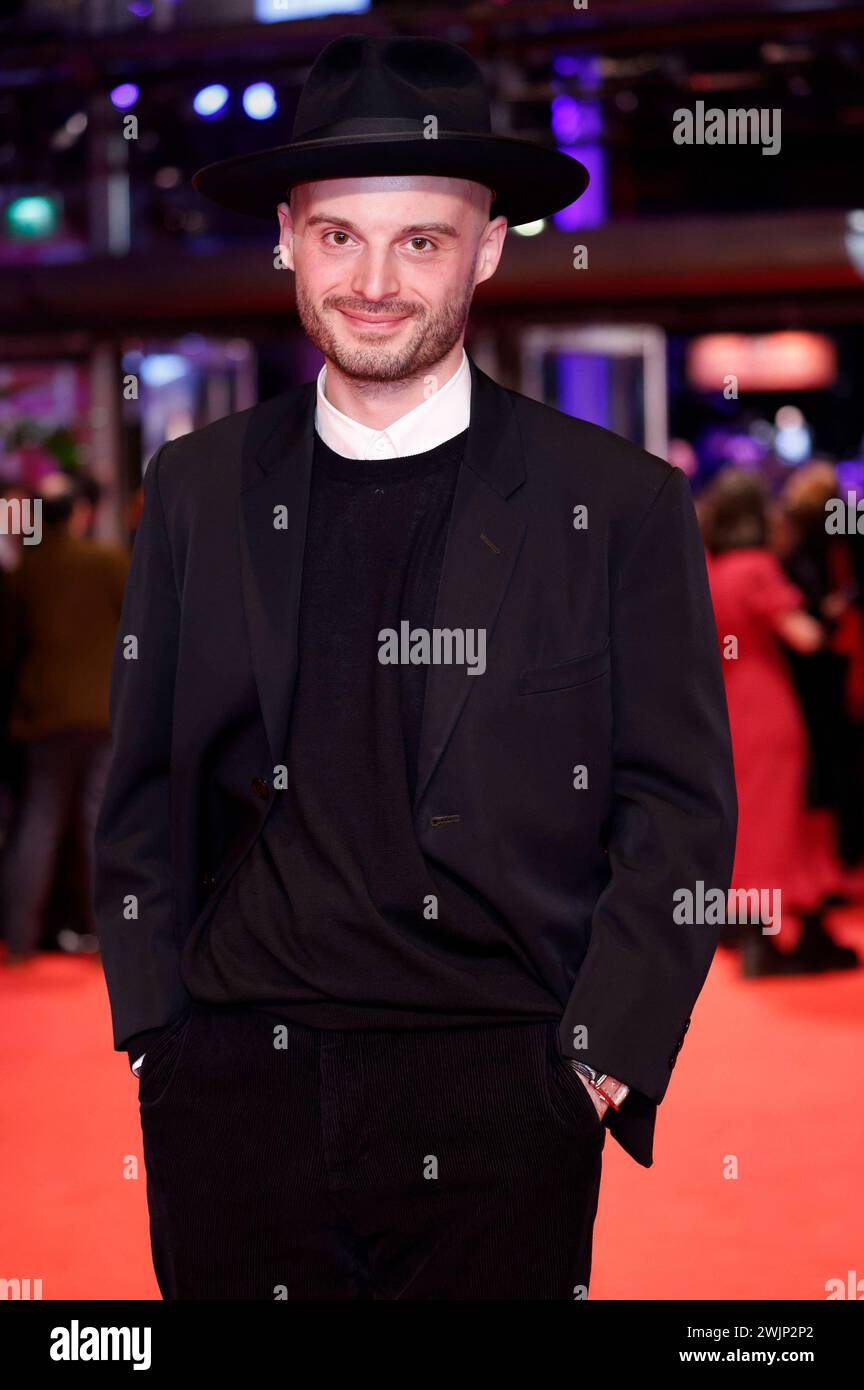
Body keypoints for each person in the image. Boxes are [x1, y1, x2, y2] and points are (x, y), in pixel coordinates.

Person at [93, 34, 737, 1301]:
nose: (374, 280)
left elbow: (678, 809)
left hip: (502, 1089)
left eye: (422, 241)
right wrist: (153, 1032)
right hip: (232, 1086)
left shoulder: (614, 503)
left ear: (488, 246)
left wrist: (596, 1059)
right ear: (287, 236)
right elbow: (144, 780)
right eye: (339, 236)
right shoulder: (198, 487)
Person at [700, 467, 858, 977]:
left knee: (747, 824)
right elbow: (805, 637)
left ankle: (748, 930)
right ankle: (769, 942)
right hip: (769, 709)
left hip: (727, 707)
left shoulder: (712, 567)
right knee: (778, 827)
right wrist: (832, 612)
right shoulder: (757, 568)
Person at [0, 474, 129, 962]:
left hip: (44, 715)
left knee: (39, 820)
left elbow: (10, 649)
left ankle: (19, 937)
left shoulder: (26, 574)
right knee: (97, 822)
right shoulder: (108, 562)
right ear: (79, 512)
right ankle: (108, 934)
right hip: (101, 710)